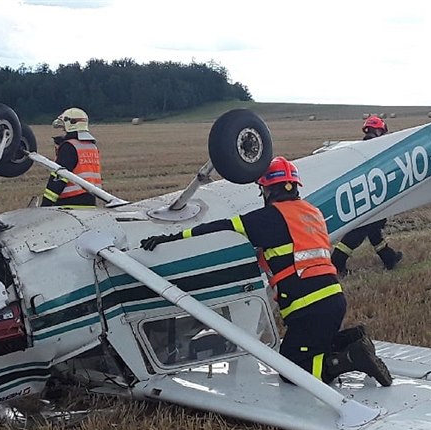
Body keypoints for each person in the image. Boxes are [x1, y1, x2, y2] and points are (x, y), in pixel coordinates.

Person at [140, 156, 393, 387]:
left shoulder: (270, 218)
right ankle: (354, 340)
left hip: (308, 308)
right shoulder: (311, 213)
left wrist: (172, 237)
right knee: (315, 348)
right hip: (333, 300)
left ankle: (351, 357)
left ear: (268, 189)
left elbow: (221, 228)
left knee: (292, 369)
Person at [330, 115, 403, 276]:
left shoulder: (360, 148)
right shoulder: (377, 147)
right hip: (370, 197)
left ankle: (389, 258)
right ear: (378, 130)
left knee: (374, 229)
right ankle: (336, 262)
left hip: (360, 194)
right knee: (358, 232)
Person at [42, 107, 102, 207]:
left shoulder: (69, 147)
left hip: (69, 204)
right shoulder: (92, 147)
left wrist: (46, 204)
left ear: (71, 124)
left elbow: (59, 177)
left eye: (63, 128)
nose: (63, 131)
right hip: (90, 204)